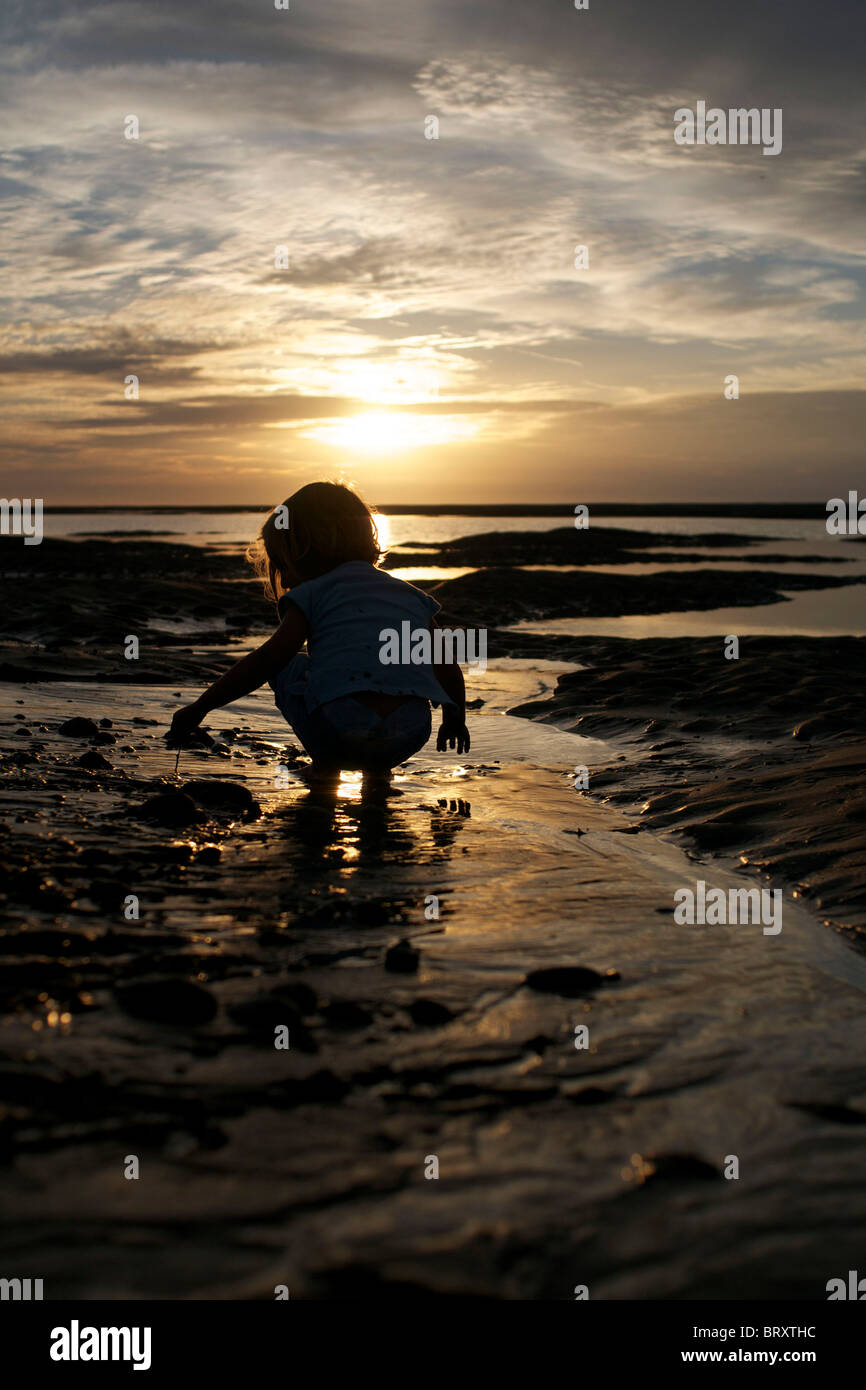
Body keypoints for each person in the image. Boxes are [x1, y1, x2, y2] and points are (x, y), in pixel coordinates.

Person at [168, 481, 470, 774]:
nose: (284, 581)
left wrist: (200, 707)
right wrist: (454, 718)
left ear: (306, 550)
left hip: (343, 726)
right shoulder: (411, 595)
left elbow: (268, 659)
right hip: (410, 730)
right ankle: (377, 778)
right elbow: (445, 664)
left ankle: (326, 767)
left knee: (287, 666)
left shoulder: (313, 594)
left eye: (284, 565)